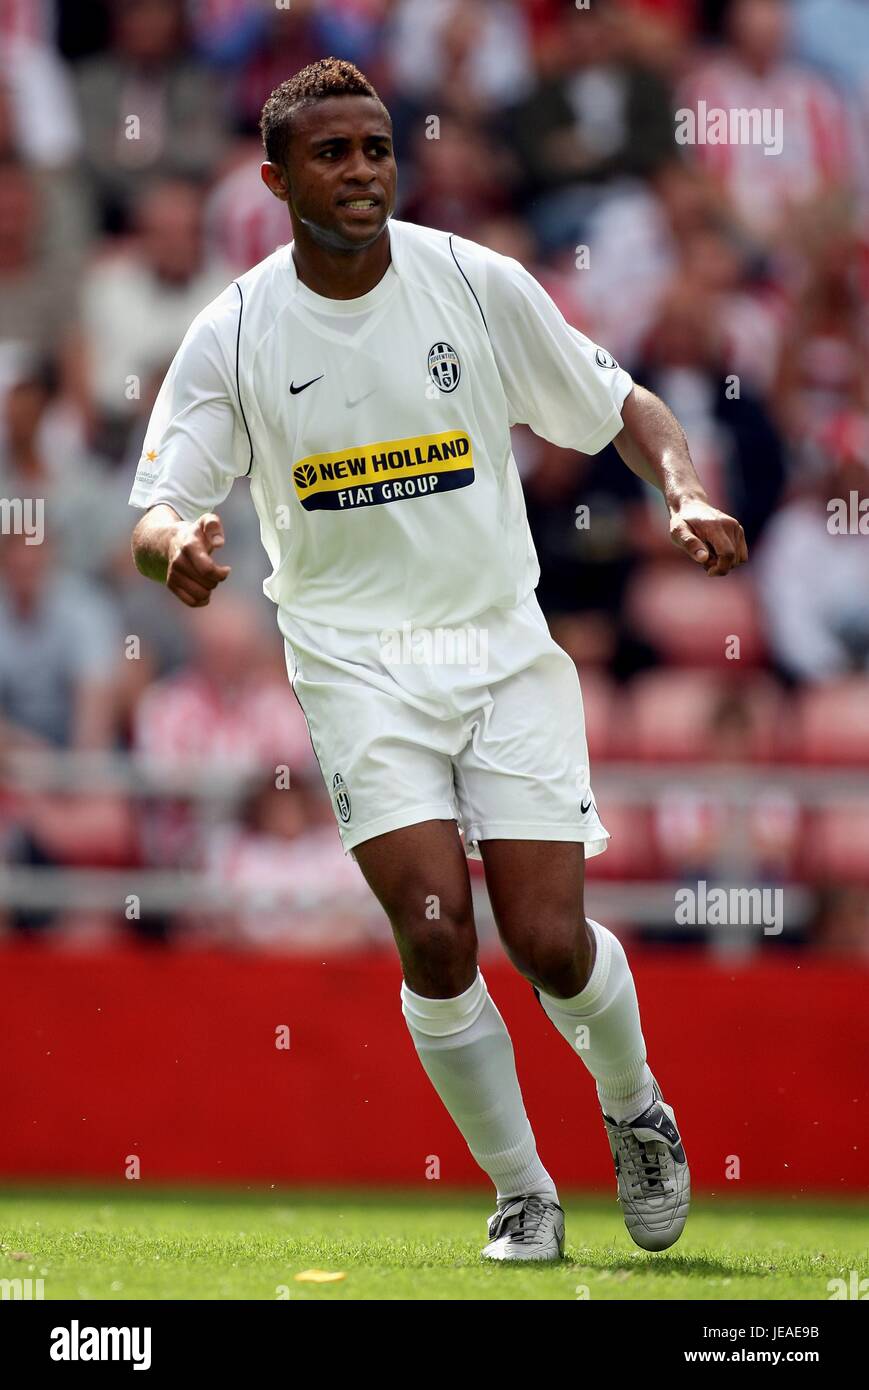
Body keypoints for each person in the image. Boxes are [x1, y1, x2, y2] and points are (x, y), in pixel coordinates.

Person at [128, 58, 747, 1262]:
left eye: (374, 149)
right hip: (356, 669)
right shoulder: (237, 330)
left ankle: (636, 1112)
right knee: (433, 932)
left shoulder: (470, 280)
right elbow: (158, 506)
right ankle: (522, 1190)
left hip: (500, 653)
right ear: (274, 177)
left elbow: (617, 401)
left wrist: (678, 492)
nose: (361, 171)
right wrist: (176, 550)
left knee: (551, 946)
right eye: (331, 154)